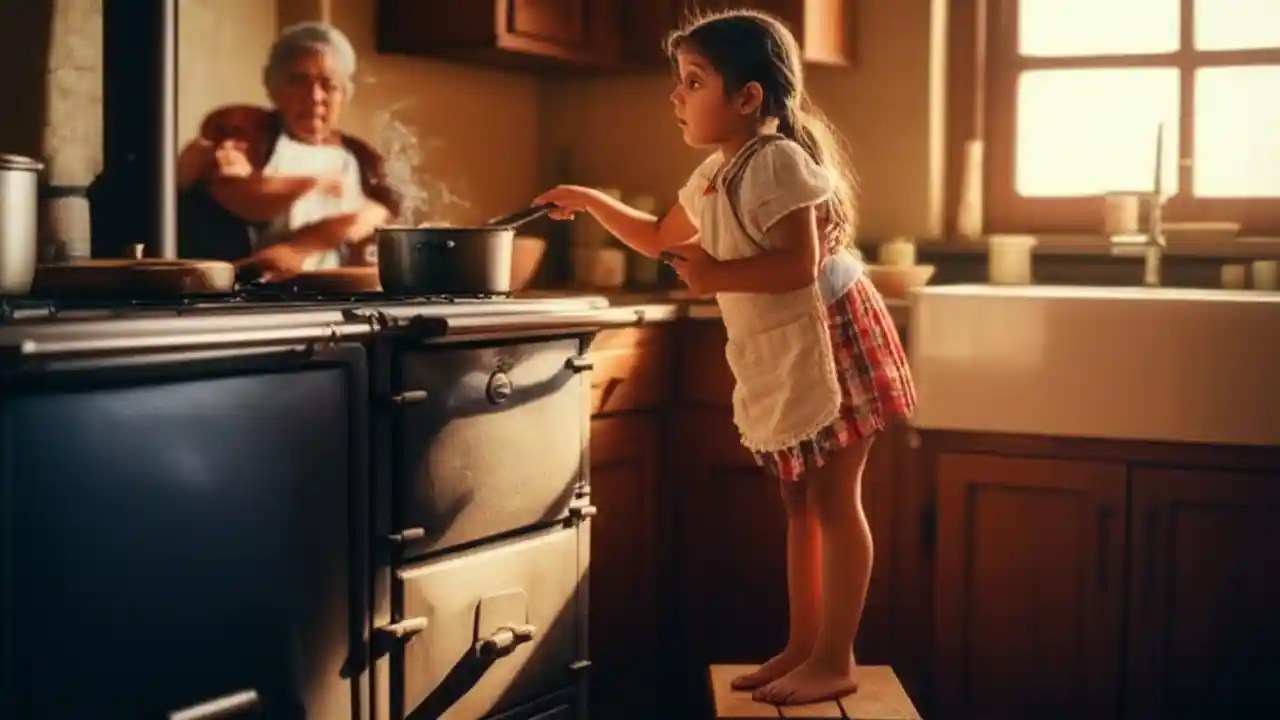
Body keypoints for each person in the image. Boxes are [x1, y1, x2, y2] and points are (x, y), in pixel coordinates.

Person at [533, 10, 915, 706]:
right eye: (678, 81)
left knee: (833, 501)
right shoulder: (717, 173)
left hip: (833, 338)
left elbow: (799, 263)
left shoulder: (775, 160)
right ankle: (803, 645)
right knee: (798, 501)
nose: (676, 96)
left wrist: (711, 278)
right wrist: (589, 201)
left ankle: (837, 656)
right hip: (795, 344)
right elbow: (654, 236)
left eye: (693, 81)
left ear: (748, 98)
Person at [177, 22, 400, 279]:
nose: (315, 96)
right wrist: (313, 184)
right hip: (258, 293)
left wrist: (300, 247)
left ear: (344, 94)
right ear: (274, 88)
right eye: (298, 81)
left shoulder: (360, 158)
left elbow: (382, 219)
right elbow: (243, 196)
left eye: (329, 85)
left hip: (333, 294)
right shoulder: (247, 133)